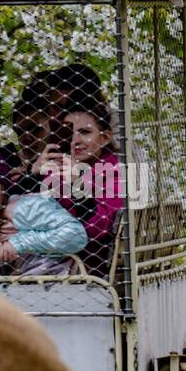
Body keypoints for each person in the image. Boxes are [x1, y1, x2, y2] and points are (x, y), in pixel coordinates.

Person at [0, 143, 86, 277]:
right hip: (27, 283)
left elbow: (76, 234)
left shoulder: (24, 206)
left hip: (59, 282)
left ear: (2, 183)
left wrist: (16, 244)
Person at [55, 98, 125, 276]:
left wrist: (76, 185)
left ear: (104, 138)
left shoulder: (114, 173)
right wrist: (32, 174)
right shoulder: (57, 167)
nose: (75, 140)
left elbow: (98, 227)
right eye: (68, 133)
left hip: (87, 270)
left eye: (85, 132)